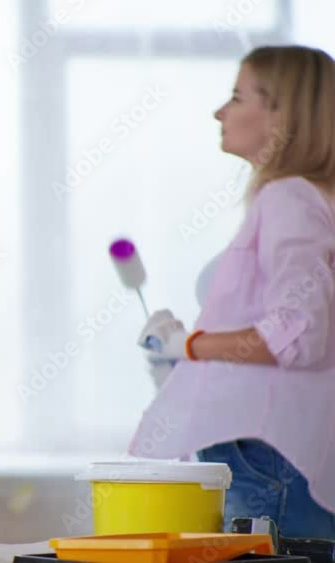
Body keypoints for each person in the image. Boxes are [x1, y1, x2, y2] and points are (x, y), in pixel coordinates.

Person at [134, 45, 335, 539]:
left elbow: (297, 337)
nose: (219, 112)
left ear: (282, 113)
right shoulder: (310, 200)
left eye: (236, 97)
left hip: (268, 459)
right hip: (272, 453)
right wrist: (187, 361)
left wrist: (188, 344)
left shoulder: (289, 198)